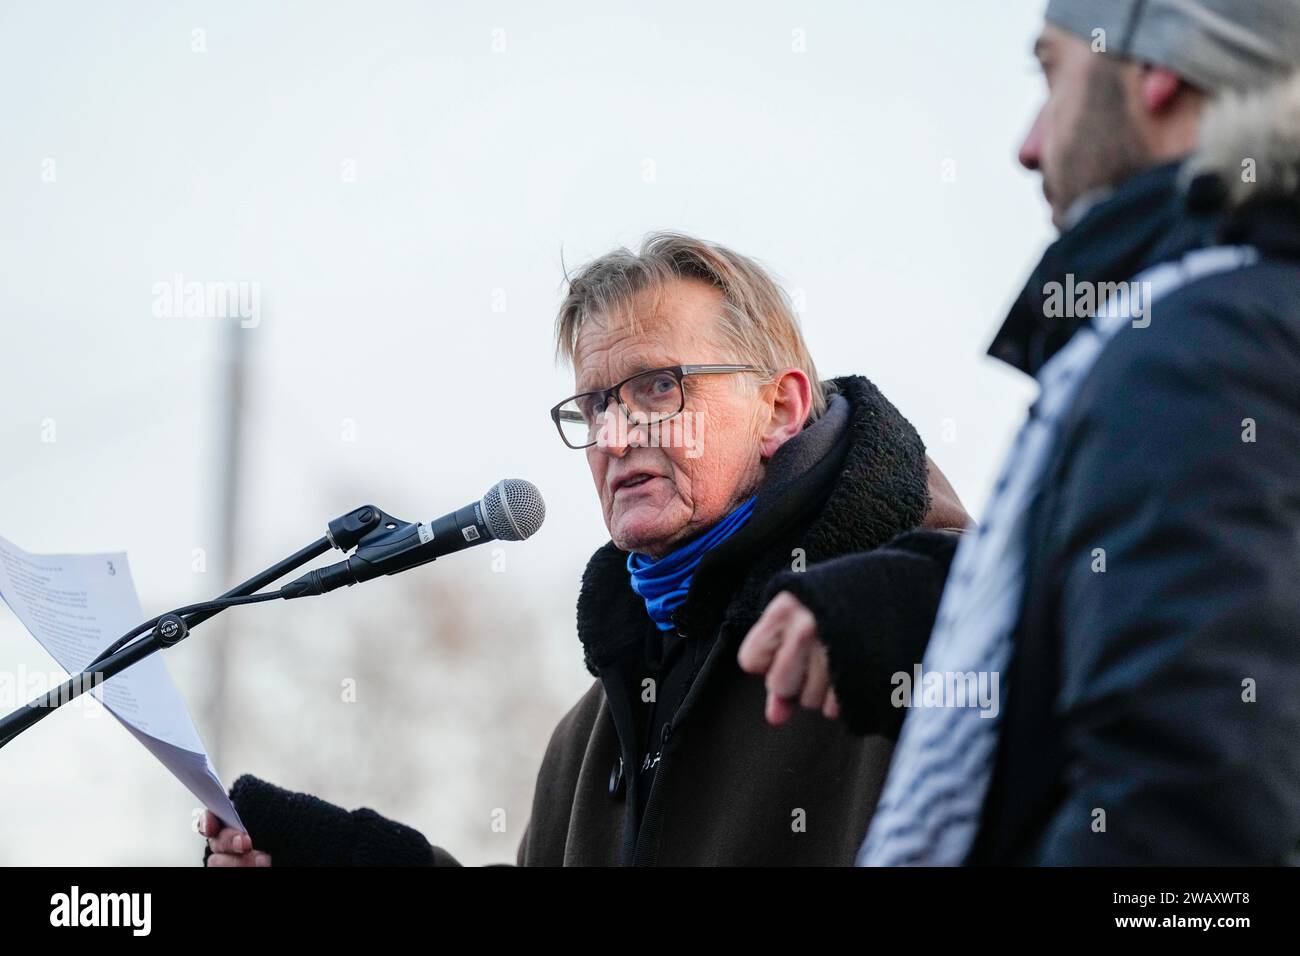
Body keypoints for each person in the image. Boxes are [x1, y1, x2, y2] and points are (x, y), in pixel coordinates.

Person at [199, 232, 969, 866]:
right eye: (595, 403)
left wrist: (920, 610)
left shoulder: (920, 615)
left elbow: (1066, 619)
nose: (613, 434)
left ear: (781, 407)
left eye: (657, 387)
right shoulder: (593, 729)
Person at [740, 0, 1300, 865]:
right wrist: (921, 606)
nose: (1029, 144)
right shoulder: (1248, 321)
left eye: (1053, 73)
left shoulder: (1197, 349)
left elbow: (1187, 830)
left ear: (1160, 70)